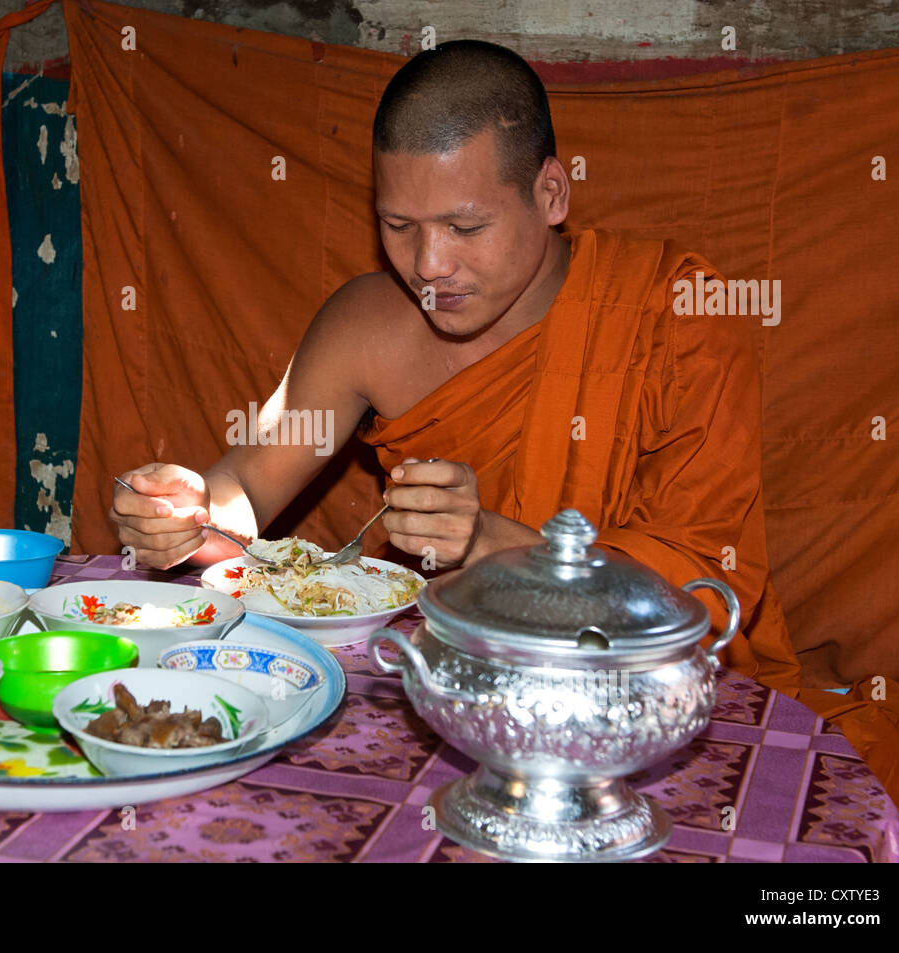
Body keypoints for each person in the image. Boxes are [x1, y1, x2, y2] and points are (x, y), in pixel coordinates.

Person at [111, 39, 798, 684]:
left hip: (640, 698)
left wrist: (491, 542)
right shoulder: (368, 326)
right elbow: (249, 485)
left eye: (465, 227)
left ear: (551, 194)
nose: (430, 267)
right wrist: (189, 512)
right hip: (443, 678)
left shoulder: (678, 316)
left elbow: (702, 591)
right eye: (398, 226)